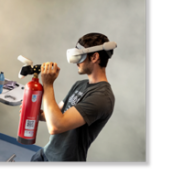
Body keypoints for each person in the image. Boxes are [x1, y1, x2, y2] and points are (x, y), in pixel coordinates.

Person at [30, 33, 116, 162]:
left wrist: (48, 84)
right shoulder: (80, 85)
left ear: (94, 57)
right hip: (45, 154)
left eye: (79, 56)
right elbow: (57, 114)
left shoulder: (102, 97)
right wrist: (34, 113)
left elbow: (55, 126)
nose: (76, 62)